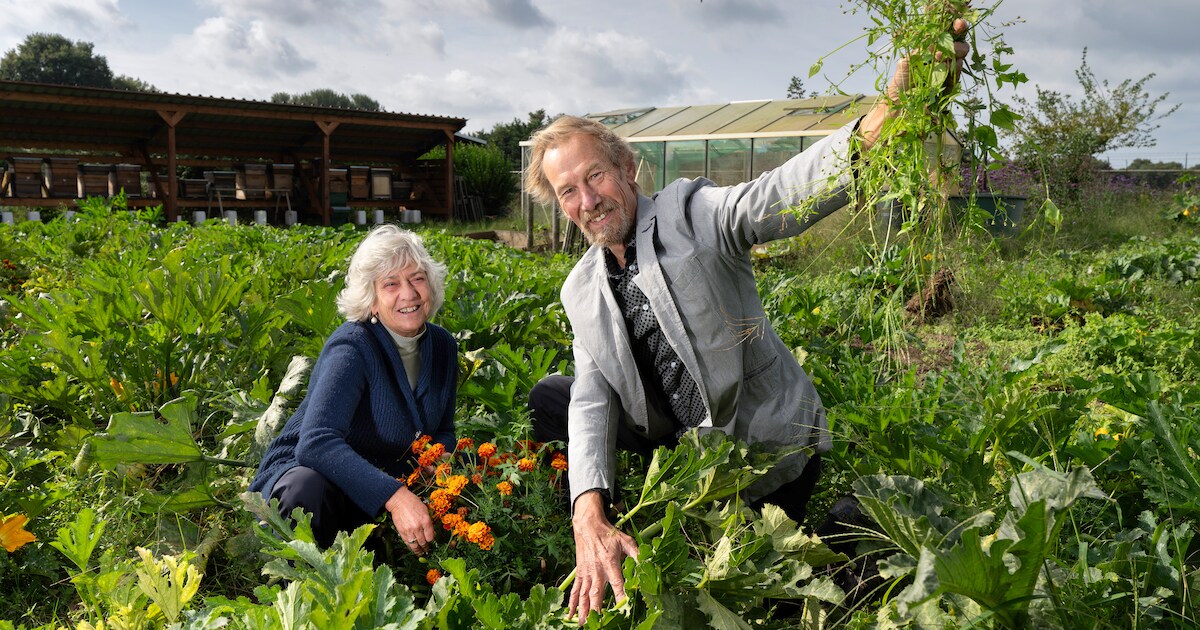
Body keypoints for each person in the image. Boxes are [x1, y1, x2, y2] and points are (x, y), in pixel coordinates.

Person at [523, 21, 969, 622]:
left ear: (627, 167)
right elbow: (592, 398)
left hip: (765, 443)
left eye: (594, 176)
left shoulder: (691, 216)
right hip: (687, 446)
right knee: (557, 397)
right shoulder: (581, 287)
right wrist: (587, 510)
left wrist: (890, 112)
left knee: (762, 599)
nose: (587, 201)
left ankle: (850, 535)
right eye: (568, 191)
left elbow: (777, 195)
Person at [249, 224, 457, 555]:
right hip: (318, 480)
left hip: (381, 484)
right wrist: (396, 496)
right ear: (371, 300)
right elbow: (316, 445)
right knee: (306, 491)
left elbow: (443, 429)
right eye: (391, 284)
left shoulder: (443, 346)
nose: (409, 293)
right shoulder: (353, 346)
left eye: (417, 278)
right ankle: (296, 588)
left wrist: (441, 459)